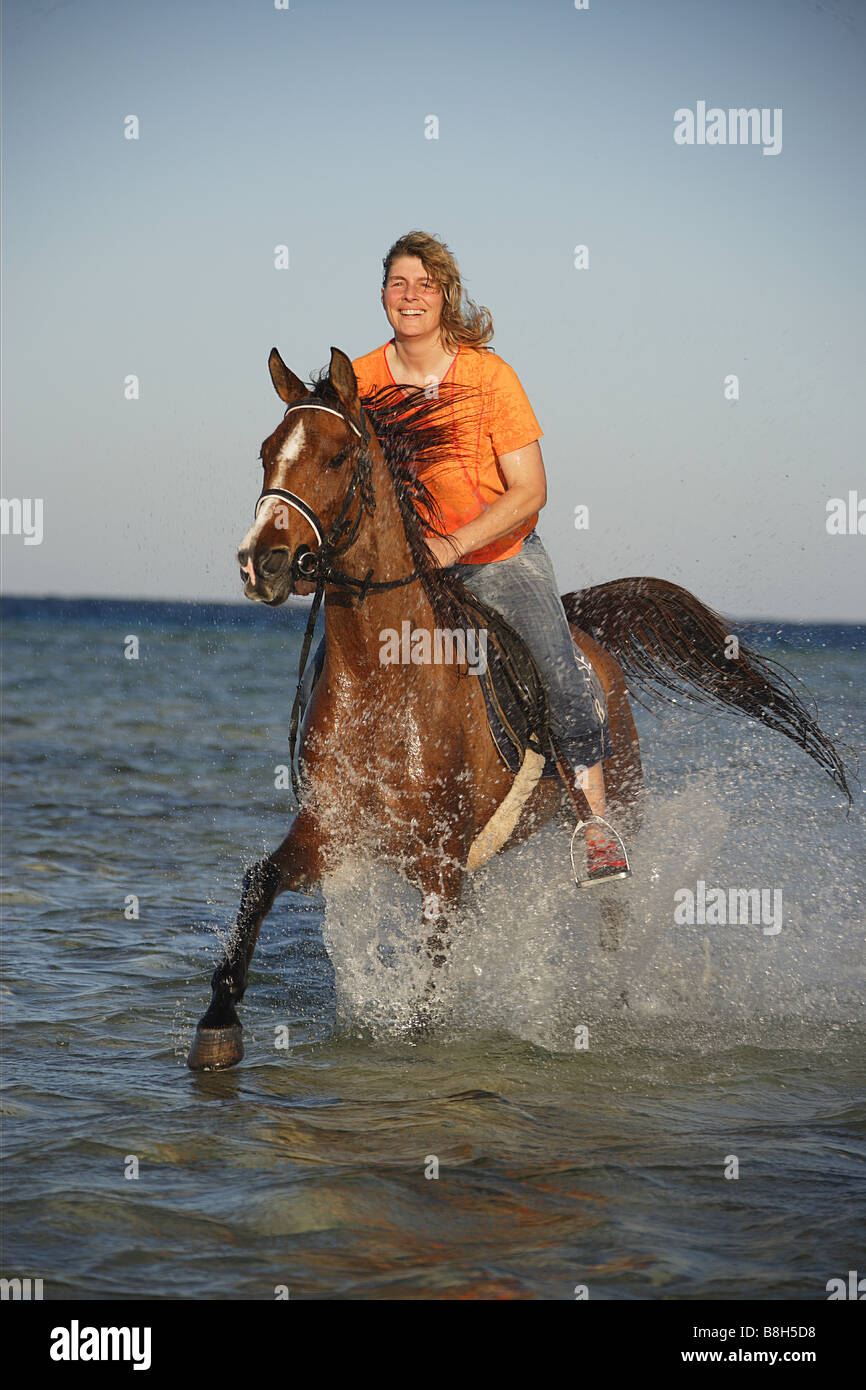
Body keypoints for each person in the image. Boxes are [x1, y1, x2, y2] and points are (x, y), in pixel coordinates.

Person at [351, 231, 629, 885]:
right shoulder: (360, 379)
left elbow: (531, 490)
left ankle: (595, 828)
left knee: (563, 673)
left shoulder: (489, 376)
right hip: (400, 570)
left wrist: (451, 544)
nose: (410, 295)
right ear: (383, 296)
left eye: (424, 284)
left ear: (446, 296)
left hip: (500, 559)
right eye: (398, 283)